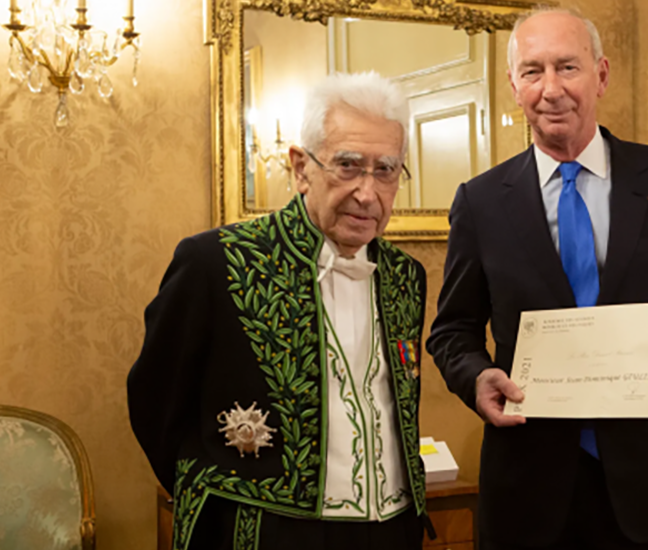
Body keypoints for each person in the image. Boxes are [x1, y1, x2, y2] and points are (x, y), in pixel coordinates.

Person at [426, 9, 648, 550]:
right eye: (532, 72)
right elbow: (452, 330)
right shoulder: (479, 202)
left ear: (600, 75)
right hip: (526, 489)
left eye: (567, 68)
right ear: (513, 85)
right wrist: (476, 378)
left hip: (647, 485)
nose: (551, 89)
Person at [128, 72, 430, 550]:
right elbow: (155, 401)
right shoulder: (216, 262)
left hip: (391, 531)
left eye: (386, 169)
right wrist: (222, 487)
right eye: (348, 166)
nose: (368, 193)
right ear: (300, 167)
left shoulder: (405, 276)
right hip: (265, 532)